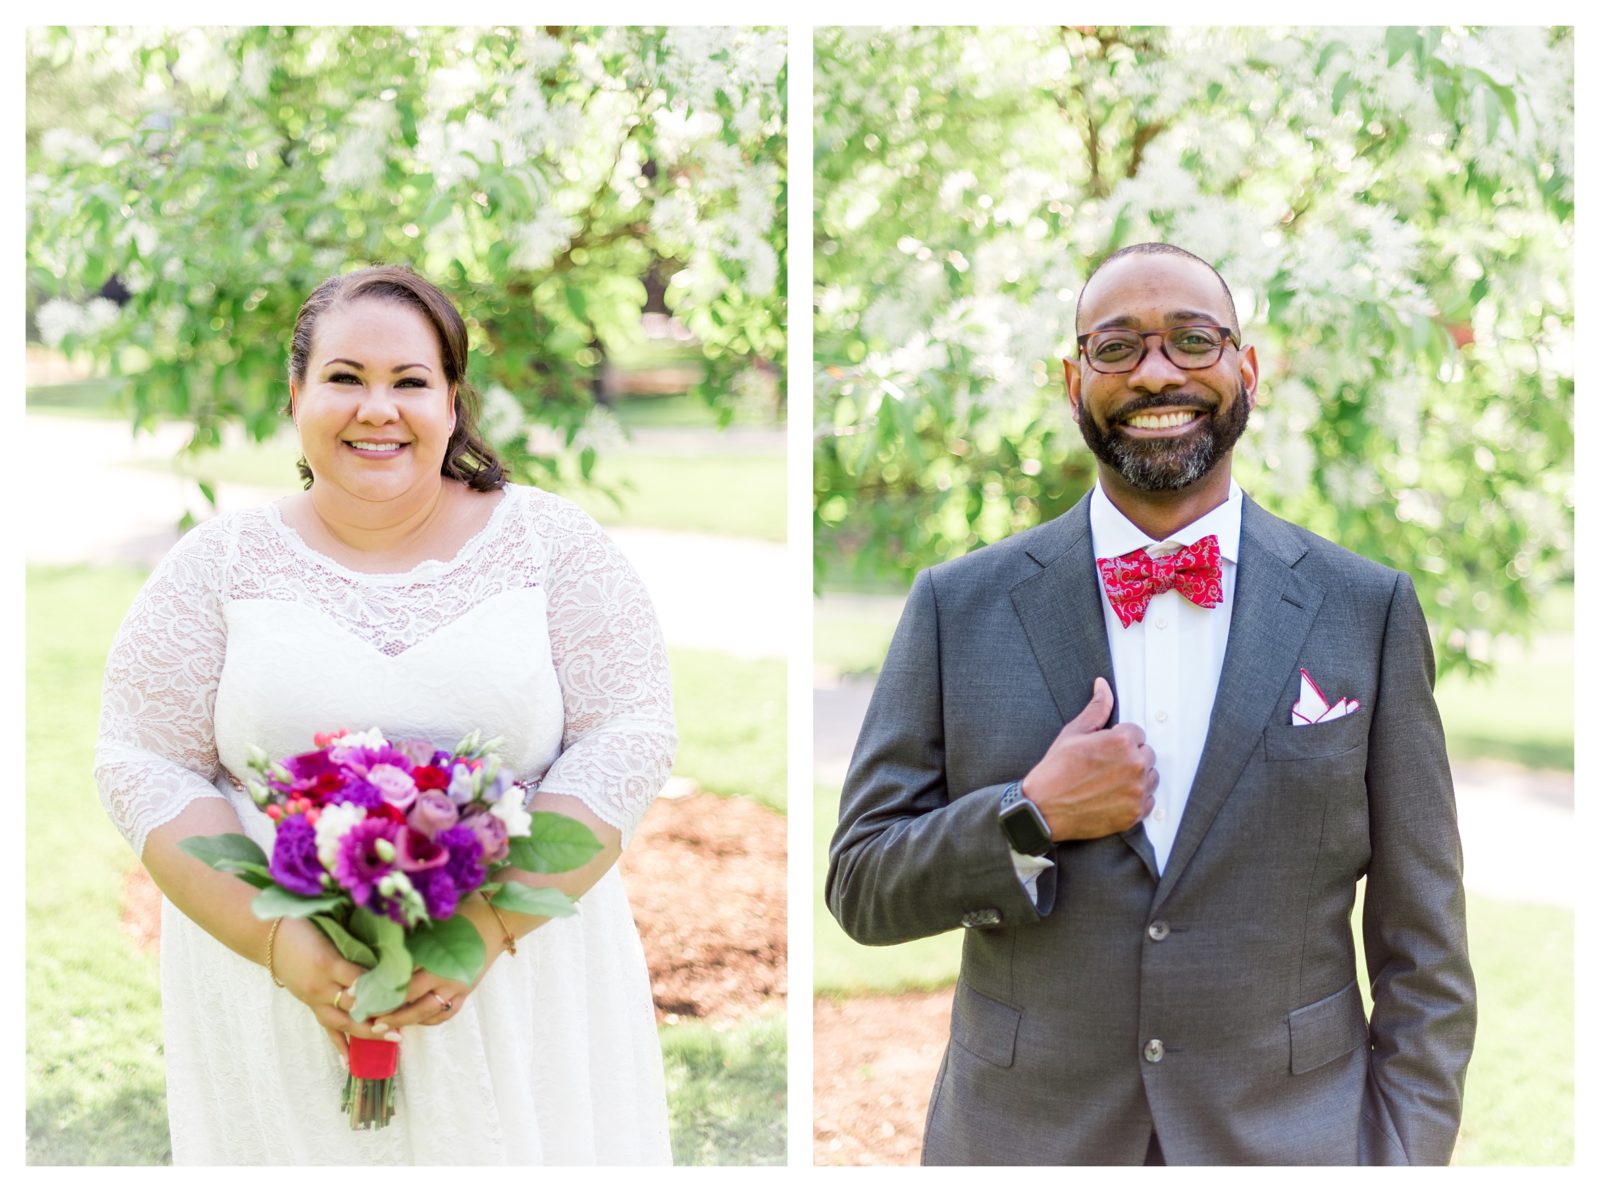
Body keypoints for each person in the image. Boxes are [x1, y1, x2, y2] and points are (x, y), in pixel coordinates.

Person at [826, 243, 1475, 1166]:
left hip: (1292, 1146)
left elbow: (1427, 945)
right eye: (1118, 347)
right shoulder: (957, 607)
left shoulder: (1364, 610)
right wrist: (1033, 814)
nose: (1157, 371)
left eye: (1192, 340)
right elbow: (861, 886)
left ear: (1245, 369)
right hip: (1027, 1144)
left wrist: (1403, 1159)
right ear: (1073, 378)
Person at [95, 264, 676, 1164]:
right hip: (278, 992)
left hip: (519, 986)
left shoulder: (551, 545)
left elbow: (630, 731)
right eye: (345, 378)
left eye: (410, 381)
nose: (378, 408)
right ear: (296, 395)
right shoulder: (217, 565)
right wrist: (278, 939)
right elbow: (140, 759)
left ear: (452, 400)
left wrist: (482, 934)